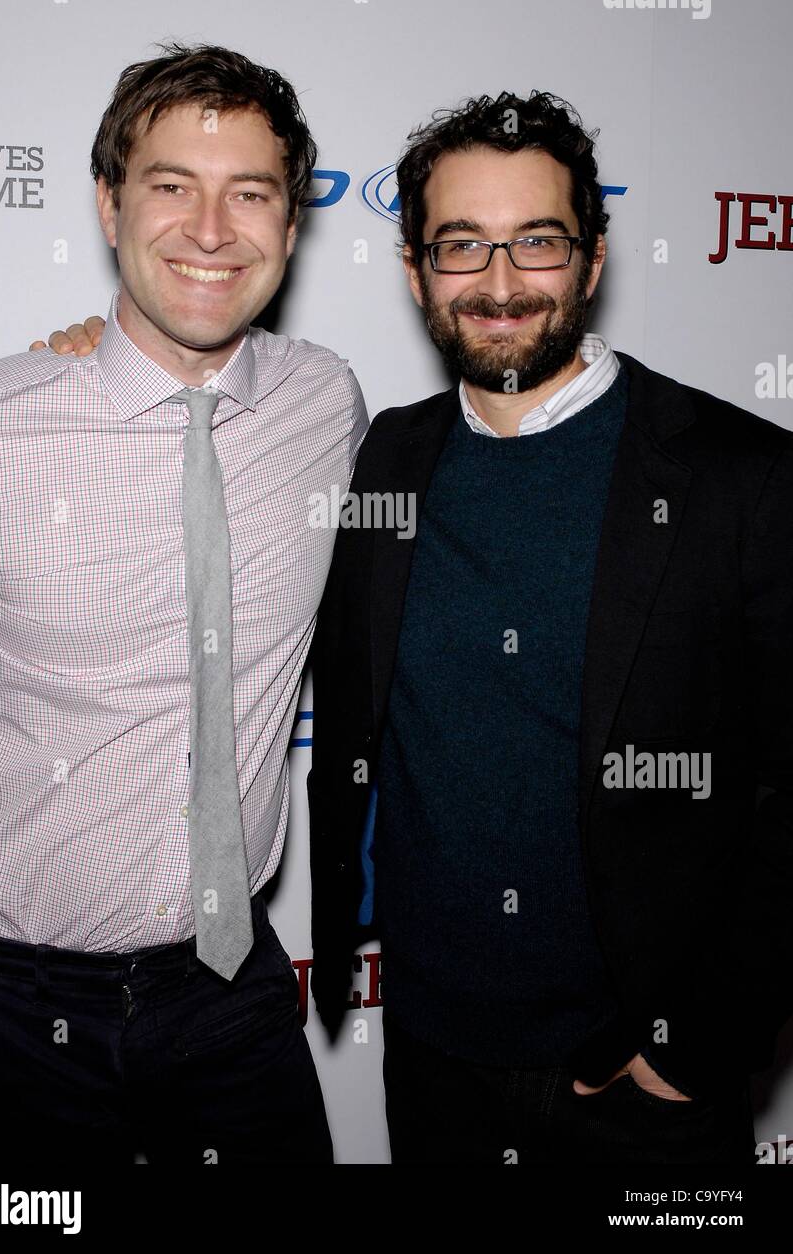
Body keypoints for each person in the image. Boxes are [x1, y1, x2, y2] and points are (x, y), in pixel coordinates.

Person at [306, 90, 793, 1164]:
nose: (496, 282)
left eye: (535, 241)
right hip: (432, 1056)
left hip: (642, 1079)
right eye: (459, 245)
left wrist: (694, 1046)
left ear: (592, 258)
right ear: (413, 272)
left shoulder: (739, 479)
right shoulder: (387, 454)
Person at [0, 42, 367, 1165]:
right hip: (6, 999)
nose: (210, 229)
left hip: (231, 988)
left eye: (250, 193)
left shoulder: (325, 403)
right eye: (171, 185)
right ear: (109, 202)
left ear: (291, 218)